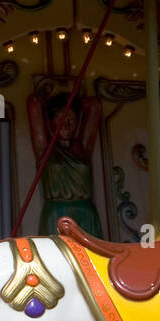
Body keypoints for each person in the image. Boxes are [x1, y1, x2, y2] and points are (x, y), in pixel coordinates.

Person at [29, 89, 105, 237]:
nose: (67, 124)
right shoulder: (44, 148)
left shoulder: (82, 147)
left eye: (72, 120)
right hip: (55, 212)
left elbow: (95, 105)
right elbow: (34, 102)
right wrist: (52, 105)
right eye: (61, 119)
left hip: (85, 213)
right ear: (51, 123)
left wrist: (73, 103)